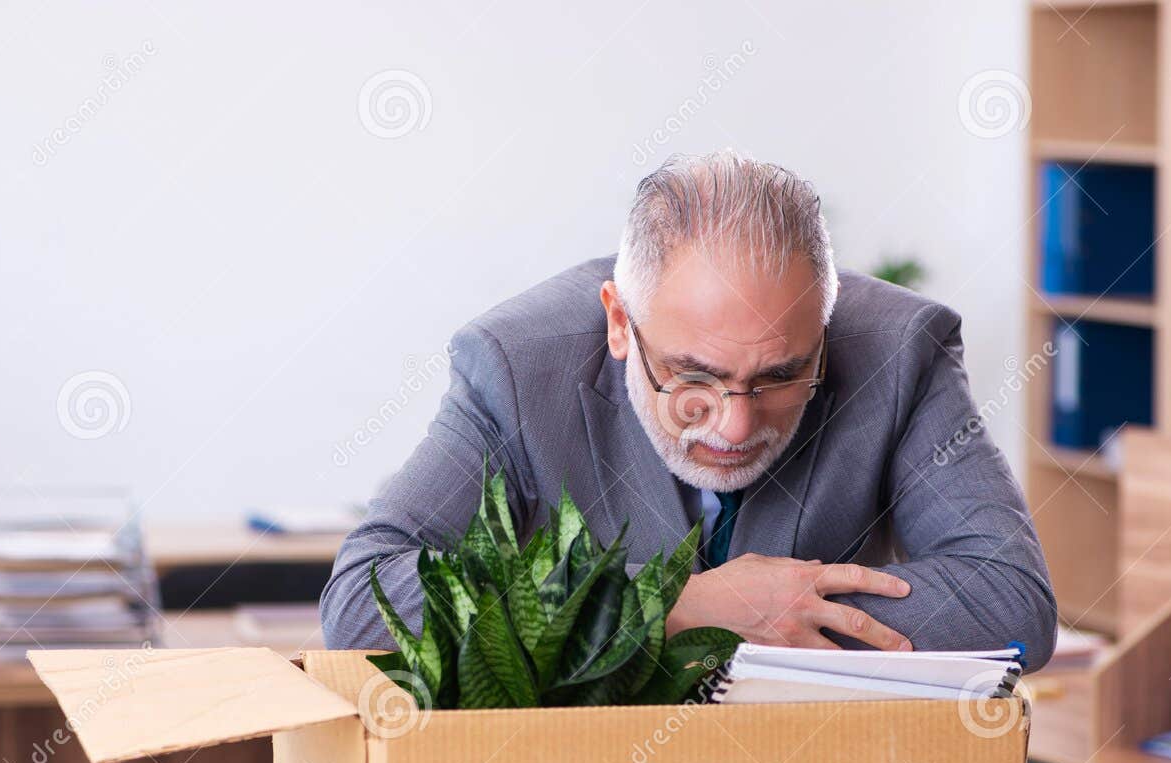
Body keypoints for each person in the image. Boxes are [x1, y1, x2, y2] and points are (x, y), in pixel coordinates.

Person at [322, 150, 1057, 669]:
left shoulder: (902, 349)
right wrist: (677, 607)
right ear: (619, 323)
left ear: (824, 328)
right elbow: (364, 597)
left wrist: (780, 609)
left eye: (782, 373)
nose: (735, 427)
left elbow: (1011, 600)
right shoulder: (515, 366)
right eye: (690, 375)